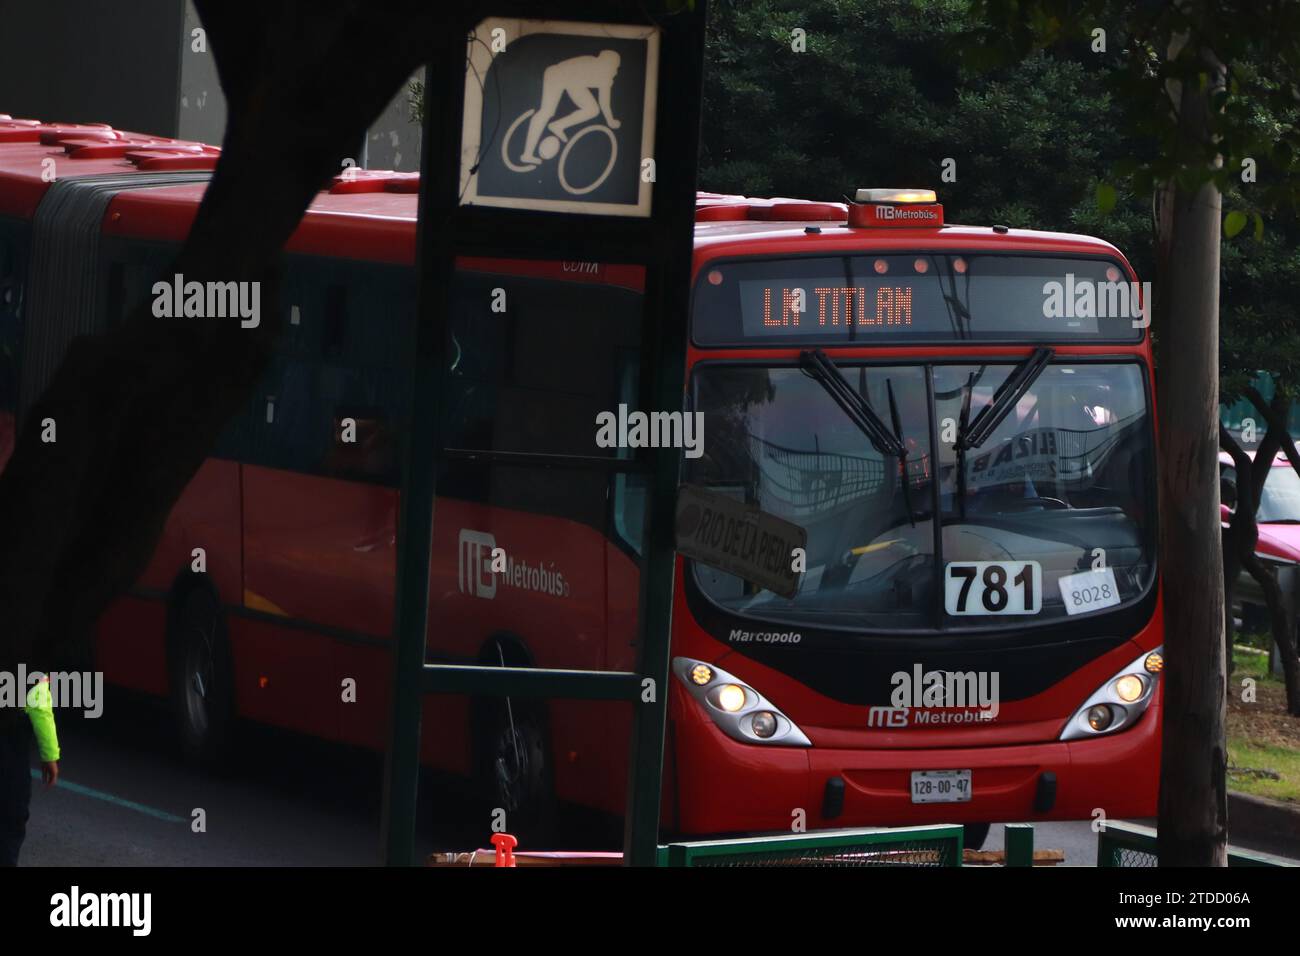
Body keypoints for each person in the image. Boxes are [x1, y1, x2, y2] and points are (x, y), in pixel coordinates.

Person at [520, 50, 622, 164]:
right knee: (546, 112)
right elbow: (604, 102)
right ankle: (527, 154)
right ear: (606, 64)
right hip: (557, 75)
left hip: (574, 82)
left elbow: (604, 103)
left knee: (592, 110)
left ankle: (557, 125)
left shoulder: (605, 77)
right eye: (615, 67)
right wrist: (610, 121)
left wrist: (610, 121)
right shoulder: (592, 65)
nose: (615, 72)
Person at [0, 674, 60, 866]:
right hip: (10, 744)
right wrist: (50, 755)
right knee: (12, 816)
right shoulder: (28, 660)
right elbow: (41, 709)